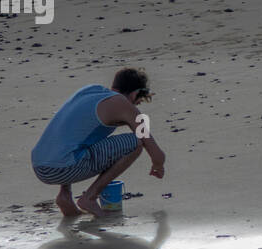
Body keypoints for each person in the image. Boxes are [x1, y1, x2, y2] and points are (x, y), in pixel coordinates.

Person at [31, 68, 166, 217]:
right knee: (136, 143)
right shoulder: (123, 104)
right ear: (134, 94)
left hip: (40, 166)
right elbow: (156, 153)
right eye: (137, 101)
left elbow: (73, 131)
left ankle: (65, 195)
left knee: (78, 136)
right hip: (64, 169)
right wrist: (158, 165)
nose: (136, 106)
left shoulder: (90, 91)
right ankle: (90, 197)